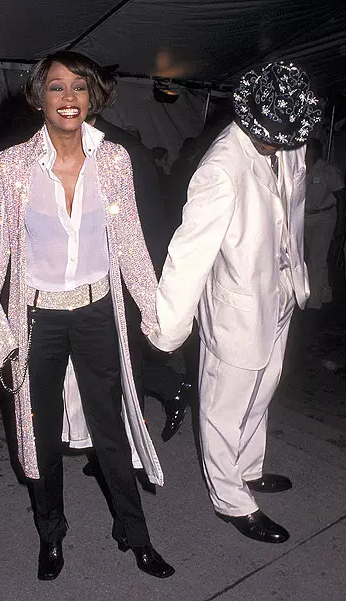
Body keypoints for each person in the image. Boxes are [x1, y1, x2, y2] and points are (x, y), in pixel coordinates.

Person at [0, 50, 174, 581]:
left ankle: (135, 534)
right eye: (57, 87)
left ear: (92, 96)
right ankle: (52, 534)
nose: (68, 98)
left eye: (79, 88)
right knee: (40, 435)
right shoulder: (12, 166)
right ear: (40, 96)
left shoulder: (113, 160)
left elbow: (130, 245)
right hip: (36, 320)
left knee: (112, 431)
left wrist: (159, 316)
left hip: (96, 314)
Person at [149, 61, 322, 543]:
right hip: (236, 306)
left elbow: (292, 211)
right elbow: (189, 252)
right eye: (269, 136)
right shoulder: (221, 169)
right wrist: (169, 326)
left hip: (281, 293)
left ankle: (248, 467)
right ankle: (231, 499)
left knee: (262, 392)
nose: (277, 144)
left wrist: (296, 277)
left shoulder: (291, 140)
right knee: (225, 406)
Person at [87, 113, 190, 445]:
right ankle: (118, 439)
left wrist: (147, 283)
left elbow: (146, 221)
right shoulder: (83, 141)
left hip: (124, 270)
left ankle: (127, 442)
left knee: (118, 356)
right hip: (100, 268)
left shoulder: (121, 148)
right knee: (109, 356)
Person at [304, 138, 346, 309]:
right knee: (316, 258)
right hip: (306, 218)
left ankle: (314, 303)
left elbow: (341, 197)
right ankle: (326, 293)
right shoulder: (301, 169)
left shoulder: (328, 171)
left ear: (314, 151)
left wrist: (341, 224)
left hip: (325, 217)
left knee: (316, 258)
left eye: (307, 149)